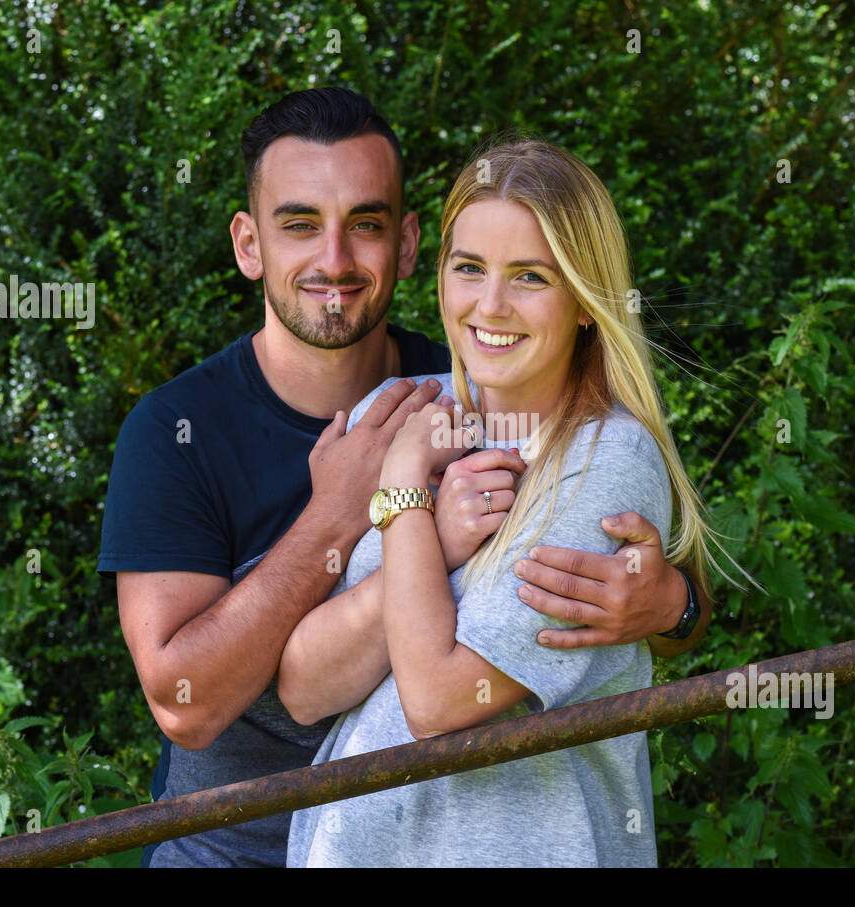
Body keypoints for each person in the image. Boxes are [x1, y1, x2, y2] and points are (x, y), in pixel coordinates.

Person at [97, 88, 711, 867]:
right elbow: (189, 700)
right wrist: (349, 513)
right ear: (249, 244)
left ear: (409, 244)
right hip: (230, 848)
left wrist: (674, 602)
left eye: (366, 225)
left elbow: (633, 553)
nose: (334, 260)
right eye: (298, 225)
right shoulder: (177, 431)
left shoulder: (455, 392)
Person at [283, 136, 730, 867]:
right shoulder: (401, 415)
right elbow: (304, 685)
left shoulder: (602, 459)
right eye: (469, 268)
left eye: (530, 277)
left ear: (587, 301)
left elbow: (438, 700)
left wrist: (403, 497)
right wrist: (430, 531)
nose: (489, 306)